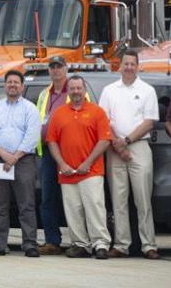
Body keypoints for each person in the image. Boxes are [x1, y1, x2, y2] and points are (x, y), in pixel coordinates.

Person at [99, 49, 161, 260]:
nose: (128, 67)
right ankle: (121, 244)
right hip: (114, 149)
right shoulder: (109, 91)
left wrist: (126, 142)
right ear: (120, 65)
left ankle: (148, 245)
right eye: (125, 63)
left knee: (143, 200)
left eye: (132, 64)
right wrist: (118, 146)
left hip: (139, 148)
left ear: (138, 66)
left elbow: (149, 121)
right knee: (118, 200)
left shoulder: (147, 90)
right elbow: (104, 121)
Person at [46, 75, 112, 260]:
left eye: (79, 88)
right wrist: (62, 164)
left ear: (84, 90)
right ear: (68, 91)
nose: (76, 92)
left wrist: (87, 163)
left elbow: (105, 140)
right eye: (72, 88)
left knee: (95, 208)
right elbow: (52, 142)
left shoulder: (97, 112)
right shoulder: (59, 113)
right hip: (66, 173)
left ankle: (100, 244)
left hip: (91, 172)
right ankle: (80, 244)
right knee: (73, 210)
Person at [0, 70, 41, 257]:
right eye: (9, 82)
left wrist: (14, 156)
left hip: (23, 161)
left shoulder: (30, 108)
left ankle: (30, 245)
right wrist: (3, 154)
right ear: (5, 85)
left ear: (22, 86)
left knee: (26, 205)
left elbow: (32, 135)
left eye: (16, 82)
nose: (12, 85)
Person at [35, 56, 72, 255]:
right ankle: (52, 241)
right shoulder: (44, 94)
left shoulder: (75, 90)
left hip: (70, 153)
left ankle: (79, 241)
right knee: (48, 198)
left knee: (73, 199)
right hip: (48, 154)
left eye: (59, 67)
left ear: (66, 69)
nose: (56, 70)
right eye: (52, 67)